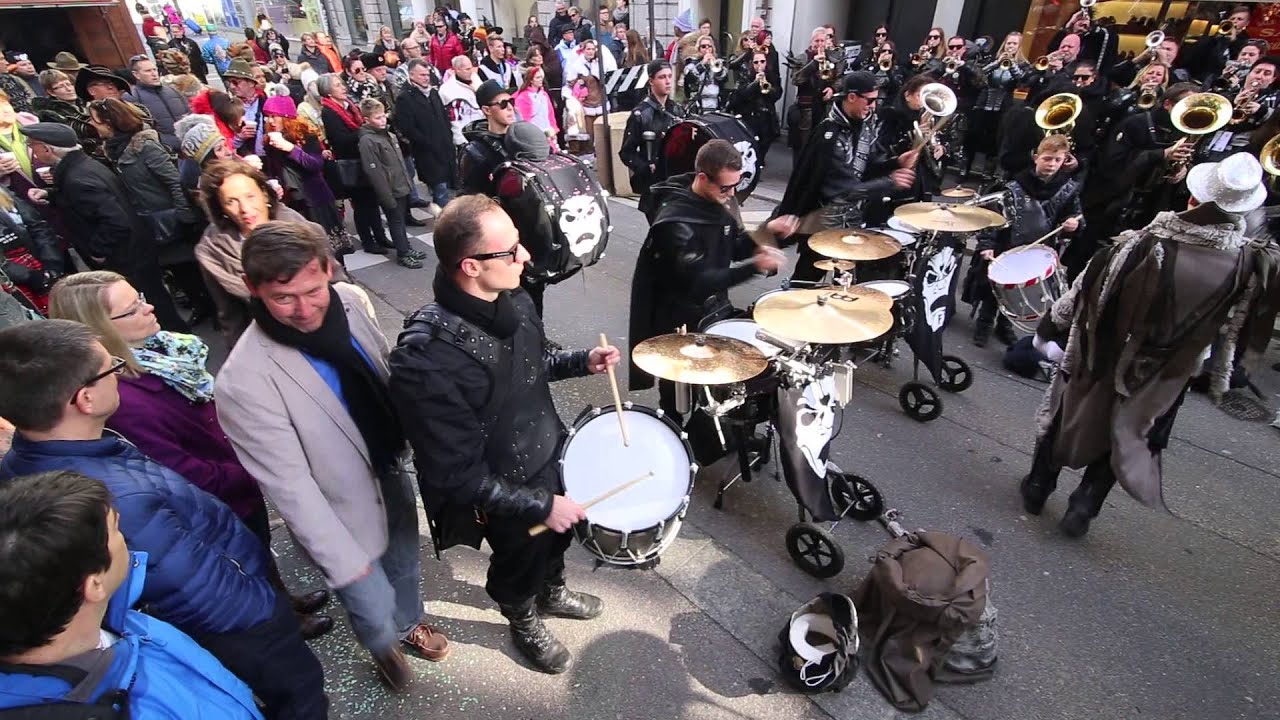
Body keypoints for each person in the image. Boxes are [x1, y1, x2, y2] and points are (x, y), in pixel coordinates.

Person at [0, 320, 330, 719]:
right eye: (111, 367)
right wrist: (266, 611)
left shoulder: (40, 460)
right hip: (242, 624)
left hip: (222, 611)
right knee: (300, 695)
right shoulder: (112, 499)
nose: (121, 372)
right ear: (84, 399)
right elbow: (193, 588)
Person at [388, 194, 618, 674]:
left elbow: (532, 365)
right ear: (470, 266)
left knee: (559, 537)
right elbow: (452, 474)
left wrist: (583, 362)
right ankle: (521, 615)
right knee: (519, 557)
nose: (526, 257)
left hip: (551, 452)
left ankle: (552, 589)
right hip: (503, 487)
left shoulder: (512, 297)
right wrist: (539, 505)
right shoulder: (425, 358)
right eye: (511, 250)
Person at [216, 221, 450, 691]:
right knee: (365, 593)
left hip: (388, 463)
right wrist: (345, 562)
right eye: (283, 298)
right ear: (251, 288)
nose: (304, 310)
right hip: (337, 507)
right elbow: (292, 490)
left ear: (328, 269)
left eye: (312, 290)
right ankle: (381, 642)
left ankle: (407, 624)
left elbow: (383, 371)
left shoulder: (348, 302)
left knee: (404, 559)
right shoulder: (242, 381)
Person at [46, 272, 334, 639]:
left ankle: (286, 601)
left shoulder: (165, 352)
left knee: (259, 548)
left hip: (233, 476)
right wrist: (248, 470)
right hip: (217, 492)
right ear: (101, 330)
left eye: (140, 297)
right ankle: (283, 622)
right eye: (132, 308)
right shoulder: (123, 397)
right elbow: (178, 467)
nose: (149, 307)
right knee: (244, 562)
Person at [1020, 152, 1280, 538]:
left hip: (1105, 355)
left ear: (1193, 200)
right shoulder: (1246, 263)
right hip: (1171, 367)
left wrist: (1047, 328)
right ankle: (1086, 503)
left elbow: (1082, 294)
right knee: (1130, 428)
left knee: (1068, 418)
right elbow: (1233, 324)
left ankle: (1039, 486)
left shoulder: (1141, 244)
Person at [0, 470, 265, 718]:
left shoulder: (114, 614)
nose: (127, 540)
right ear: (93, 585)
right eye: (116, 532)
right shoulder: (118, 708)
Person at [628, 140, 794, 423]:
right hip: (675, 321)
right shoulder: (675, 222)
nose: (731, 195)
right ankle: (677, 442)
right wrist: (755, 266)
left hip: (709, 311)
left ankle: (714, 437)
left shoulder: (716, 199)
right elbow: (698, 281)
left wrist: (768, 233)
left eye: (735, 187)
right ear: (702, 177)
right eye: (725, 188)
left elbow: (731, 245)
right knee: (677, 396)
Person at [21, 122, 187, 332]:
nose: (31, 150)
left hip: (125, 256)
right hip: (136, 250)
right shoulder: (82, 166)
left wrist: (98, 251)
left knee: (149, 307)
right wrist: (51, 194)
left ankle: (176, 345)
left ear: (47, 149)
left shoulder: (77, 178)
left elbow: (115, 220)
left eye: (32, 144)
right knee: (155, 300)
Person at [774, 71, 916, 284]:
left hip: (852, 221)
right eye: (869, 100)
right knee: (805, 281)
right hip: (824, 223)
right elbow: (842, 188)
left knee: (845, 283)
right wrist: (889, 183)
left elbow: (866, 166)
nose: (873, 106)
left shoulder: (863, 125)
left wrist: (895, 162)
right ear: (851, 97)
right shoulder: (829, 135)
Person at [195, 159, 327, 345]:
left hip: (326, 329)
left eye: (250, 196)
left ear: (264, 194)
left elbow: (337, 282)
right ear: (221, 208)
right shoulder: (213, 252)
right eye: (231, 201)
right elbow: (231, 316)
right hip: (273, 343)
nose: (245, 209)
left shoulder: (304, 230)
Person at [969, 135, 1083, 347]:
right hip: (1008, 244)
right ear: (1036, 158)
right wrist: (987, 245)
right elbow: (994, 218)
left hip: (1039, 249)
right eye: (1047, 159)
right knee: (995, 289)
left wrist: (1072, 225)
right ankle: (983, 324)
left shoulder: (1068, 189)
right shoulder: (1014, 185)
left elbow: (1075, 216)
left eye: (1057, 160)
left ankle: (1005, 325)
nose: (1051, 165)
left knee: (1020, 293)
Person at [318, 72, 394, 257]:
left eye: (342, 84)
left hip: (364, 159)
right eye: (337, 85)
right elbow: (340, 140)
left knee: (373, 201)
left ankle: (380, 236)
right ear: (328, 92)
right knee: (361, 205)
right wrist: (365, 132)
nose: (343, 87)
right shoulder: (329, 111)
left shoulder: (349, 105)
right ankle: (368, 240)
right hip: (351, 162)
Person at [261, 92, 344, 242]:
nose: (270, 121)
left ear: (286, 116)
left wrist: (291, 149)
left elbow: (315, 165)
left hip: (315, 199)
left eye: (274, 116)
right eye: (267, 116)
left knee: (328, 249)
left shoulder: (306, 135)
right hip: (292, 202)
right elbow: (272, 171)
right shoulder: (270, 142)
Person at [359, 98, 426, 269]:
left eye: (383, 116)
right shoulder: (368, 141)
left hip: (400, 185)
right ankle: (403, 253)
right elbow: (375, 172)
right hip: (389, 189)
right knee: (395, 221)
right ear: (367, 120)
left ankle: (406, 248)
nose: (383, 120)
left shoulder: (389, 135)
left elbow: (400, 164)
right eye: (377, 118)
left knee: (400, 220)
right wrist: (385, 195)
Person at [620, 59, 685, 206]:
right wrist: (645, 167)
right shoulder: (640, 114)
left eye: (669, 76)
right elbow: (626, 152)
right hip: (653, 184)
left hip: (677, 181)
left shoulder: (677, 110)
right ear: (651, 81)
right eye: (662, 77)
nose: (668, 81)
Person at [397, 58, 453, 216]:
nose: (426, 78)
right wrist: (427, 142)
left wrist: (447, 137)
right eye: (422, 75)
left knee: (445, 186)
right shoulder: (405, 98)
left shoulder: (433, 92)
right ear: (412, 75)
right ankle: (444, 220)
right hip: (427, 151)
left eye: (427, 74)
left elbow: (443, 116)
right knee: (440, 188)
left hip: (444, 148)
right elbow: (407, 128)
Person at [0, 183, 62, 314]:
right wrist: (29, 276)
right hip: (9, 281)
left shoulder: (4, 193)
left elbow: (37, 226)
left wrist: (52, 263)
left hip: (38, 263)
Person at [124, 55, 191, 150]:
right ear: (136, 75)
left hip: (190, 143)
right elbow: (140, 129)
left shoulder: (172, 89)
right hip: (166, 150)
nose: (154, 74)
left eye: (154, 69)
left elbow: (189, 114)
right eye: (148, 71)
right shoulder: (131, 97)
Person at [725, 50, 780, 163]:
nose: (759, 65)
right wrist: (755, 83)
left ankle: (759, 163)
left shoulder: (772, 76)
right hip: (750, 115)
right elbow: (741, 95)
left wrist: (769, 88)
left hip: (766, 115)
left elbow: (777, 95)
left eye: (762, 61)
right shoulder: (745, 75)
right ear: (751, 63)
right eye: (756, 62)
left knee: (765, 143)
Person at [223, 59, 266, 156]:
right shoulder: (228, 107)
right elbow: (224, 146)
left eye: (235, 82)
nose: (232, 87)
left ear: (251, 83)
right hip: (246, 161)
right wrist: (240, 137)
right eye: (228, 83)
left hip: (271, 160)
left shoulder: (266, 100)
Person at [440, 54, 484, 147]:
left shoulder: (476, 79)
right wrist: (461, 141)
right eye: (467, 69)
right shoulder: (448, 90)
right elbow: (453, 120)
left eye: (471, 68)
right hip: (465, 137)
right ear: (457, 69)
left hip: (482, 130)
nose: (471, 72)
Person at [513, 66, 560, 151]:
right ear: (531, 80)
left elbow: (550, 114)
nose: (540, 79)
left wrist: (553, 130)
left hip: (548, 133)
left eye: (541, 77)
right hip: (534, 136)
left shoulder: (544, 94)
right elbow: (523, 120)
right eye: (537, 77)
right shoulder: (524, 97)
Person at [683, 34, 729, 114]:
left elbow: (724, 78)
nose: (707, 48)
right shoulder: (692, 64)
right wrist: (702, 64)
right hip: (698, 104)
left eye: (709, 46)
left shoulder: (718, 62)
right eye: (703, 46)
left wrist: (715, 65)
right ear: (699, 49)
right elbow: (690, 79)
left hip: (715, 104)